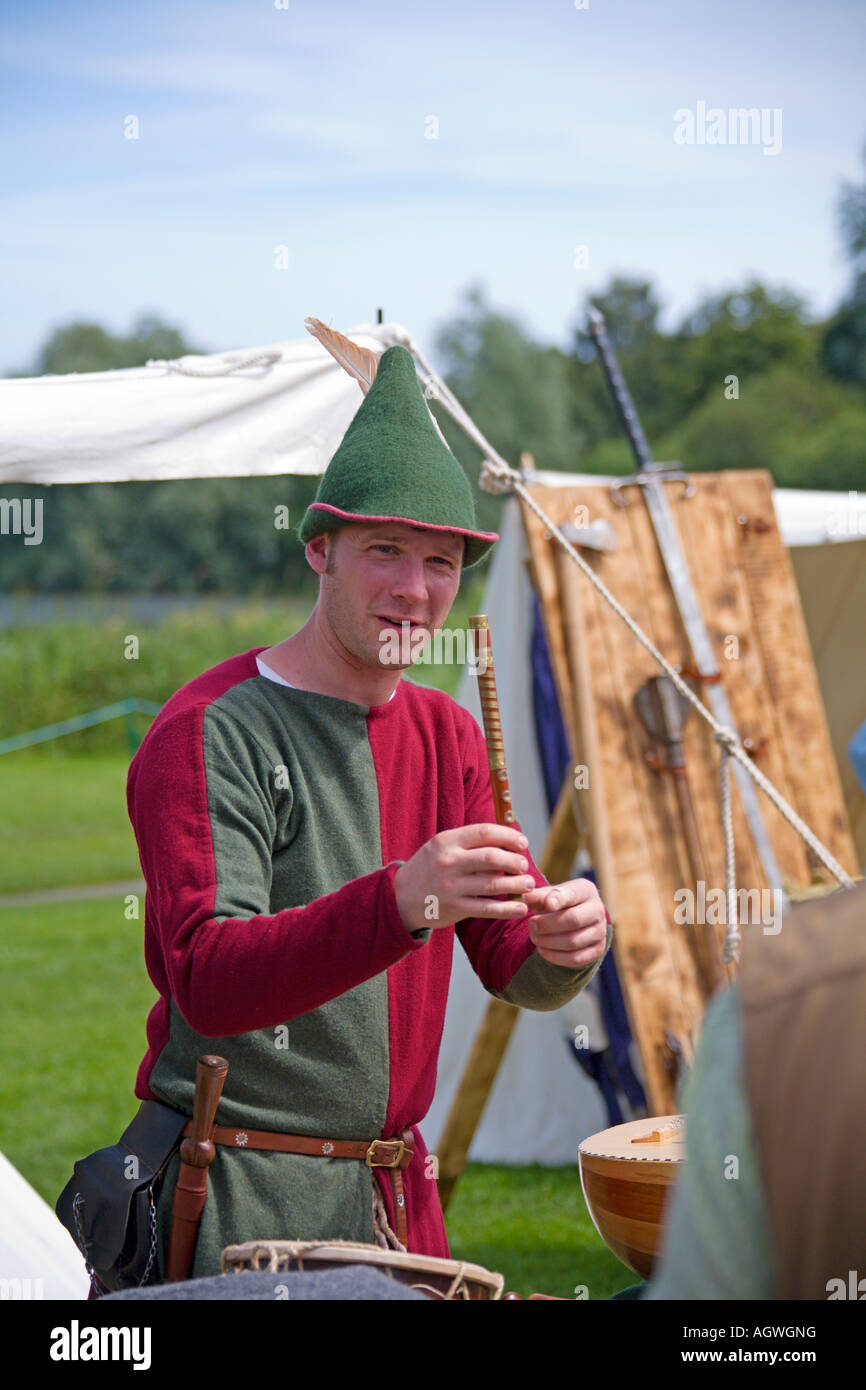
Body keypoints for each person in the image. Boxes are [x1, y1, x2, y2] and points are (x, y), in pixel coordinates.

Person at [122, 343, 612, 1282]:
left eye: (440, 562)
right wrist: (401, 901)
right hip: (233, 1191)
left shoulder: (449, 736)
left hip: (396, 1205)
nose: (414, 589)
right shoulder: (208, 731)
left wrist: (566, 947)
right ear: (320, 550)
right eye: (384, 550)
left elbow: (508, 958)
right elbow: (210, 980)